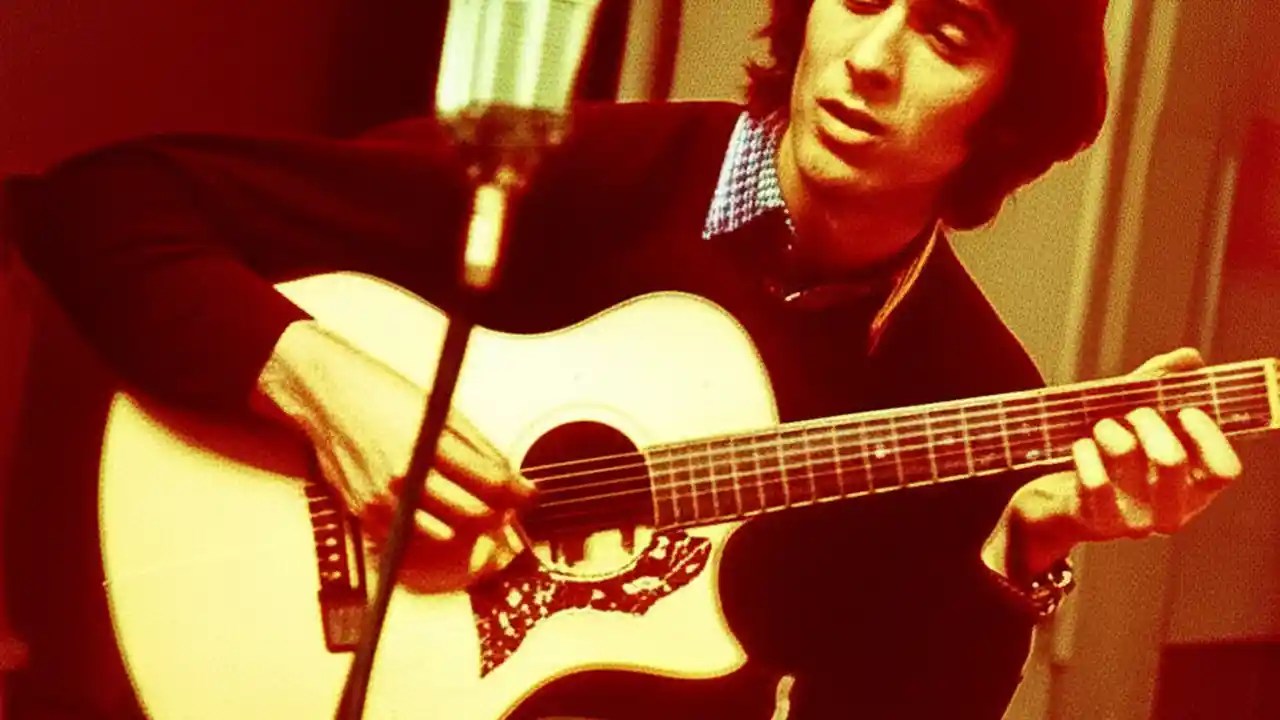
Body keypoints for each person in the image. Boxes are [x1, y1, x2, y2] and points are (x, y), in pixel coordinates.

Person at [2, 0, 1244, 717]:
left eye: (947, 32)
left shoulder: (973, 393)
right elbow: (104, 204)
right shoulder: (578, 173)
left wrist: (1021, 545)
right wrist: (338, 391)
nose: (869, 57)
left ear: (1006, 119)